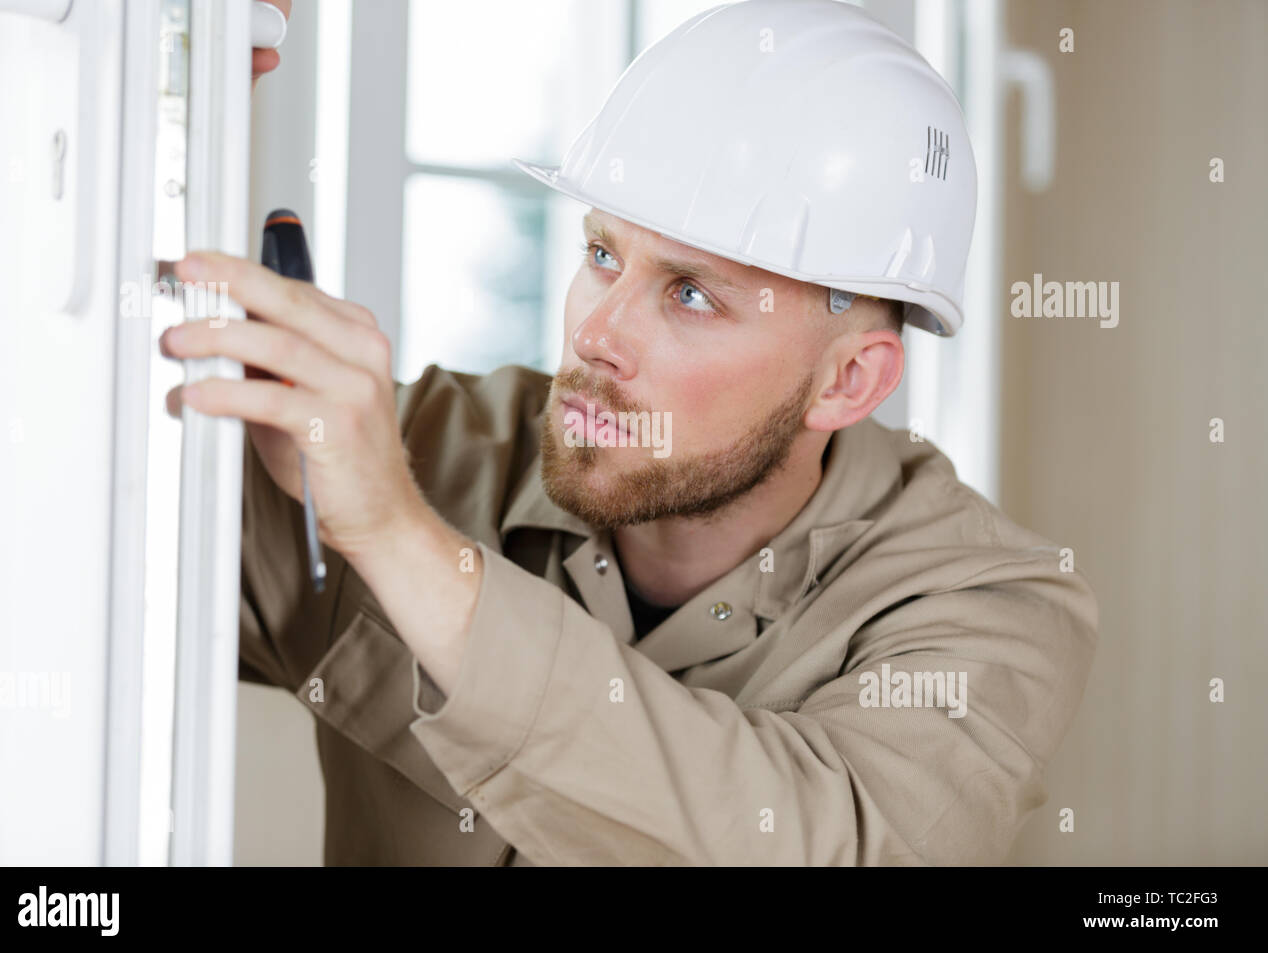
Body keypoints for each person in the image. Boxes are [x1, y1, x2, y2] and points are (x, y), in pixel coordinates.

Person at [165, 0, 1097, 865]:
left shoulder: (990, 610)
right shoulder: (421, 449)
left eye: (690, 295)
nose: (594, 334)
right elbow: (83, 525)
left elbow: (817, 843)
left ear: (849, 381)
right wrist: (165, 95)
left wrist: (398, 541)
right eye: (601, 254)